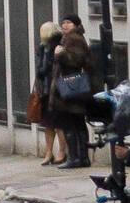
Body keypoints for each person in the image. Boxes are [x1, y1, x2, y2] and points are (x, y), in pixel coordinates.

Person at [48, 14, 93, 169]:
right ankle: (82, 157)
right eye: (64, 22)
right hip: (73, 88)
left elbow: (75, 60)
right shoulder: (72, 37)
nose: (65, 25)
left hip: (70, 88)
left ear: (75, 25)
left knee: (70, 123)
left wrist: (59, 53)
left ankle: (75, 157)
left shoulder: (73, 38)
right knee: (77, 123)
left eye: (69, 22)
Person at [33, 21, 68, 166]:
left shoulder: (58, 46)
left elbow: (56, 67)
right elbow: (40, 67)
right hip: (45, 90)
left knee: (59, 123)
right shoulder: (42, 48)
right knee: (48, 124)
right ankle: (48, 152)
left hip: (57, 90)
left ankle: (62, 151)